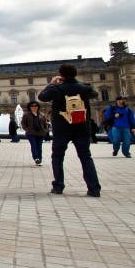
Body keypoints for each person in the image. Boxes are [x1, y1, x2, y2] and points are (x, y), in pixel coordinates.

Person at [38, 64, 101, 197]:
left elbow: (42, 97)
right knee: (85, 157)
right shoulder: (85, 88)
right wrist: (80, 84)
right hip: (82, 127)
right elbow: (95, 94)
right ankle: (94, 189)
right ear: (76, 73)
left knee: (57, 157)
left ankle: (58, 186)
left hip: (62, 128)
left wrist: (52, 84)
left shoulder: (57, 88)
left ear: (61, 75)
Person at [20, 101, 48, 166]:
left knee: (39, 147)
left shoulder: (41, 114)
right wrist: (27, 129)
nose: (34, 107)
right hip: (31, 133)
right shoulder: (26, 115)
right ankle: (36, 158)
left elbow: (45, 124)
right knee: (34, 145)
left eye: (36, 106)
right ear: (30, 107)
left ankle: (39, 160)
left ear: (38, 107)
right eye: (32, 106)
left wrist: (45, 130)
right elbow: (23, 124)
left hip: (40, 133)